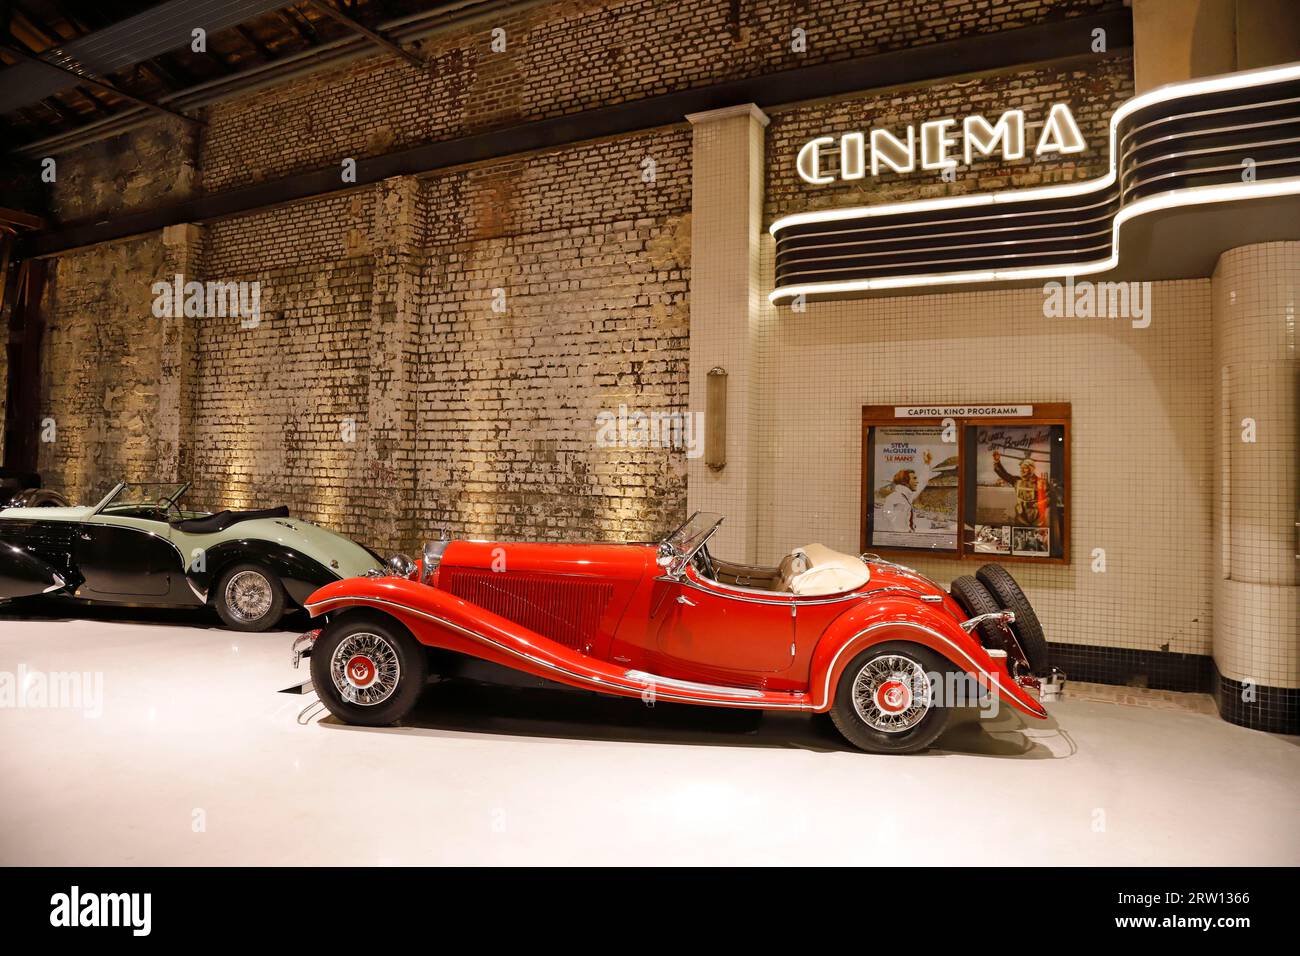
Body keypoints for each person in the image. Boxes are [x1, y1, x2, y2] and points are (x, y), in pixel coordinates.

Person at [878, 450, 936, 534]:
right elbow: (898, 529)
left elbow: (922, 482)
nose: (917, 481)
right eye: (914, 478)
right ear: (905, 482)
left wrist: (927, 464)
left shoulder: (905, 496)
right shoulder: (897, 499)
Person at [992, 449, 1048, 526]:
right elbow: (1004, 474)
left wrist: (1036, 505)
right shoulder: (1017, 481)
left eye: (1024, 467)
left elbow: (1050, 499)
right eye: (1021, 467)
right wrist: (997, 462)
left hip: (1037, 520)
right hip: (1020, 518)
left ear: (1031, 469)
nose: (1021, 470)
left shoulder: (1041, 482)